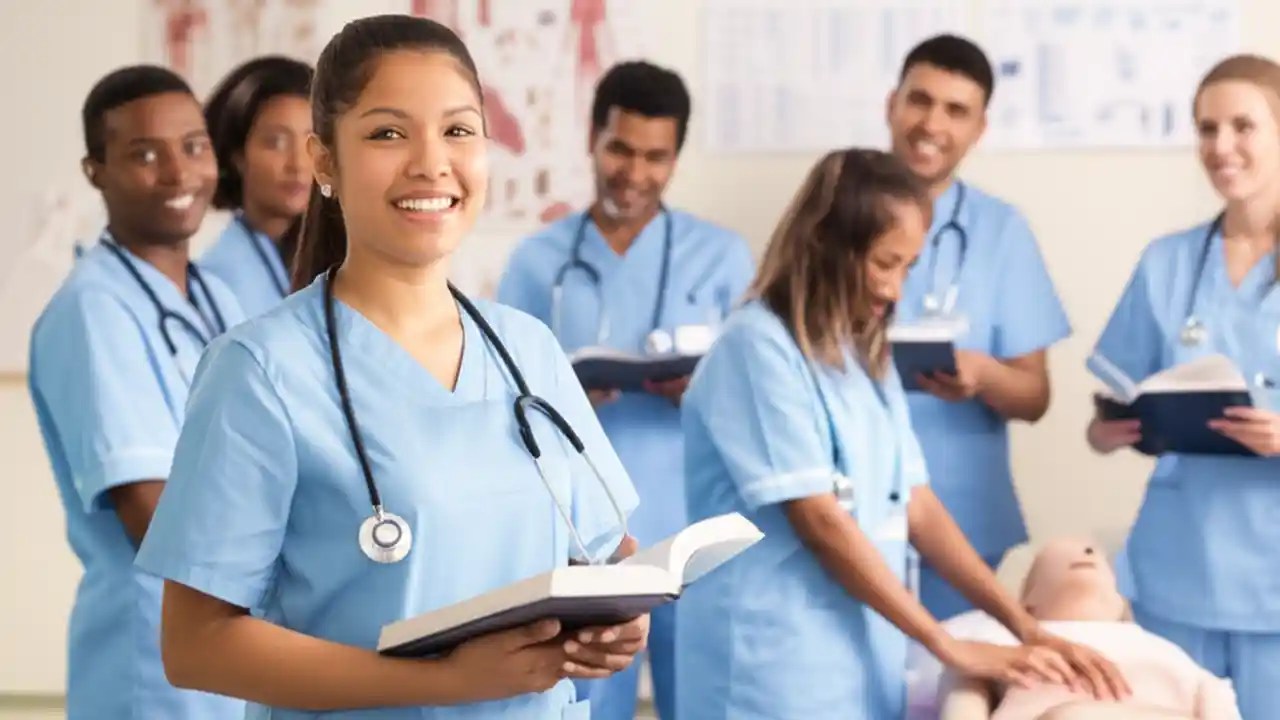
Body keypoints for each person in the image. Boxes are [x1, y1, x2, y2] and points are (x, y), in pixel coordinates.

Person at [133, 15, 648, 719]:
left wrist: (623, 620)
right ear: (324, 162)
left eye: (459, 131)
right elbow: (195, 644)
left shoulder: (528, 350)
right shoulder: (260, 371)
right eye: (387, 132)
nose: (431, 162)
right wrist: (447, 682)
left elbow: (608, 551)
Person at [674, 148, 1129, 720]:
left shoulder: (866, 357)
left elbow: (917, 504)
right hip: (770, 666)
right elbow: (819, 521)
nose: (895, 290)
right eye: (885, 263)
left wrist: (1025, 627)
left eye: (908, 267)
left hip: (856, 659)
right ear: (828, 246)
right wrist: (947, 643)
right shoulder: (756, 348)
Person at [497, 59, 754, 720]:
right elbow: (499, 398)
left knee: (700, 701)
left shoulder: (722, 257)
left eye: (654, 157)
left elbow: (757, 394)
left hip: (690, 522)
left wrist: (703, 387)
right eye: (620, 149)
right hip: (579, 533)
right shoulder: (537, 261)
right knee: (583, 700)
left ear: (674, 158)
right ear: (592, 137)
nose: (634, 173)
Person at [27, 65, 245, 719]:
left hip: (227, 650)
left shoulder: (215, 297)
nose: (178, 174)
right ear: (95, 170)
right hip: (150, 662)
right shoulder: (93, 308)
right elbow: (149, 510)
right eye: (143, 154)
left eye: (193, 146)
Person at [1085, 54, 1280, 720]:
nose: (1221, 147)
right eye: (1206, 128)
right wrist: (1108, 432)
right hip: (1180, 566)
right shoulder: (1166, 263)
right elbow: (1107, 407)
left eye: (1242, 126)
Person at [884, 34, 1072, 620]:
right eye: (920, 100)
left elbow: (1035, 396)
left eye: (956, 110)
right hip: (848, 505)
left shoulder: (1003, 232)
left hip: (962, 516)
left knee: (952, 695)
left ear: (980, 128)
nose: (931, 122)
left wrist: (985, 374)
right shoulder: (835, 213)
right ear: (892, 103)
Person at [936, 539, 1241, 720]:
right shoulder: (1000, 643)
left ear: (1120, 603)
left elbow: (1217, 699)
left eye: (1096, 554)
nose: (1086, 551)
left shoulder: (1159, 646)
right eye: (1061, 555)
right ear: (1026, 604)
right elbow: (963, 693)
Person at [200, 54, 313, 317]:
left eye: (312, 142)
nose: (298, 164)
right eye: (276, 142)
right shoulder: (219, 277)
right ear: (237, 155)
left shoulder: (340, 257)